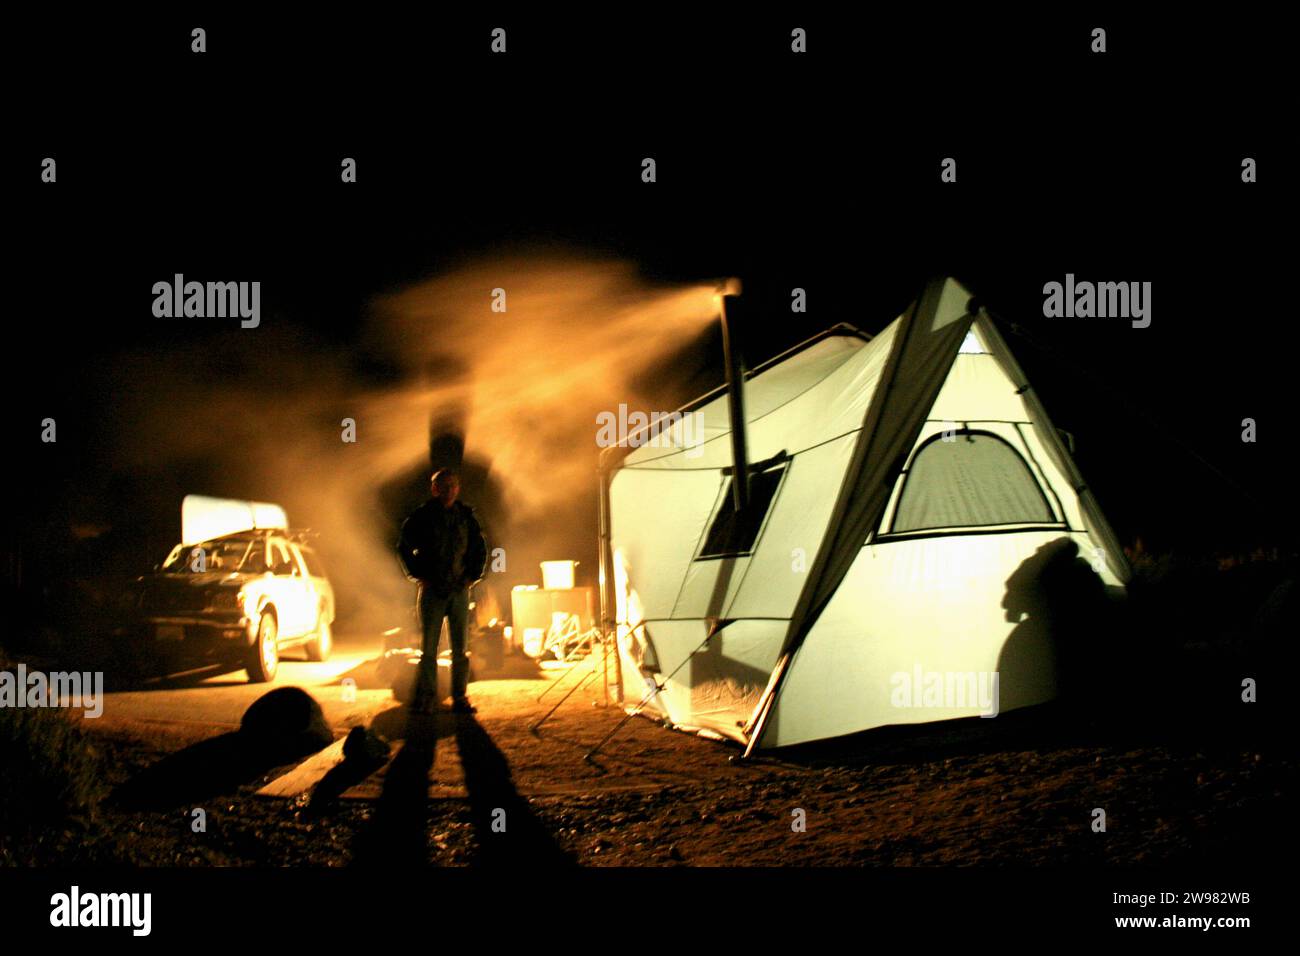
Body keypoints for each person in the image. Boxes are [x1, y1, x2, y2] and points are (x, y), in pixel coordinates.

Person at [397, 469, 488, 714]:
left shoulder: (466, 517)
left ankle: (460, 698)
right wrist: (418, 575)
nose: (449, 490)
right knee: (429, 649)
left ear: (457, 488)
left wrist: (472, 577)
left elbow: (479, 547)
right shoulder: (422, 516)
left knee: (460, 649)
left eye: (453, 486)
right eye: (443, 486)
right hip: (432, 592)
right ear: (434, 489)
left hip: (459, 591)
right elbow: (404, 547)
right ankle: (428, 698)